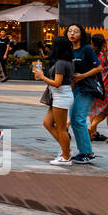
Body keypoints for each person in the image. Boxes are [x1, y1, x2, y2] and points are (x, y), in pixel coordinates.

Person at [34, 35, 75, 166]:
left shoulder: (61, 63)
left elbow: (57, 83)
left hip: (61, 97)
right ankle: (65, 149)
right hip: (60, 96)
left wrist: (42, 76)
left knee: (61, 128)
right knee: (47, 123)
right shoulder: (66, 62)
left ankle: (66, 156)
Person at [66, 24, 103, 165]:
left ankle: (88, 153)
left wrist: (82, 76)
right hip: (74, 88)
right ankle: (83, 152)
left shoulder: (86, 49)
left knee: (79, 118)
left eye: (75, 31)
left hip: (87, 88)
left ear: (81, 34)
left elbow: (98, 67)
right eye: (70, 31)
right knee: (74, 119)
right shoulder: (69, 50)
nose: (72, 33)